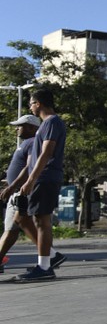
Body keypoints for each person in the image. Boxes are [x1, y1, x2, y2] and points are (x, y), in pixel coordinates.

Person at [14, 90, 68, 282]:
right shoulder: (47, 124)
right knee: (36, 221)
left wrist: (31, 180)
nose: (30, 107)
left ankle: (45, 267)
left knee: (42, 222)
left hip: (45, 178)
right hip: (42, 178)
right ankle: (47, 260)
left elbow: (46, 153)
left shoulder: (52, 122)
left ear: (39, 103)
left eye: (31, 103)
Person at [0, 115, 42, 272]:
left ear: (31, 128)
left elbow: (29, 167)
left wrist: (12, 187)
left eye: (20, 125)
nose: (17, 128)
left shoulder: (32, 142)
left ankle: (50, 255)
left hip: (22, 192)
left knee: (17, 226)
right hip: (16, 192)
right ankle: (50, 256)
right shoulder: (25, 143)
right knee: (11, 229)